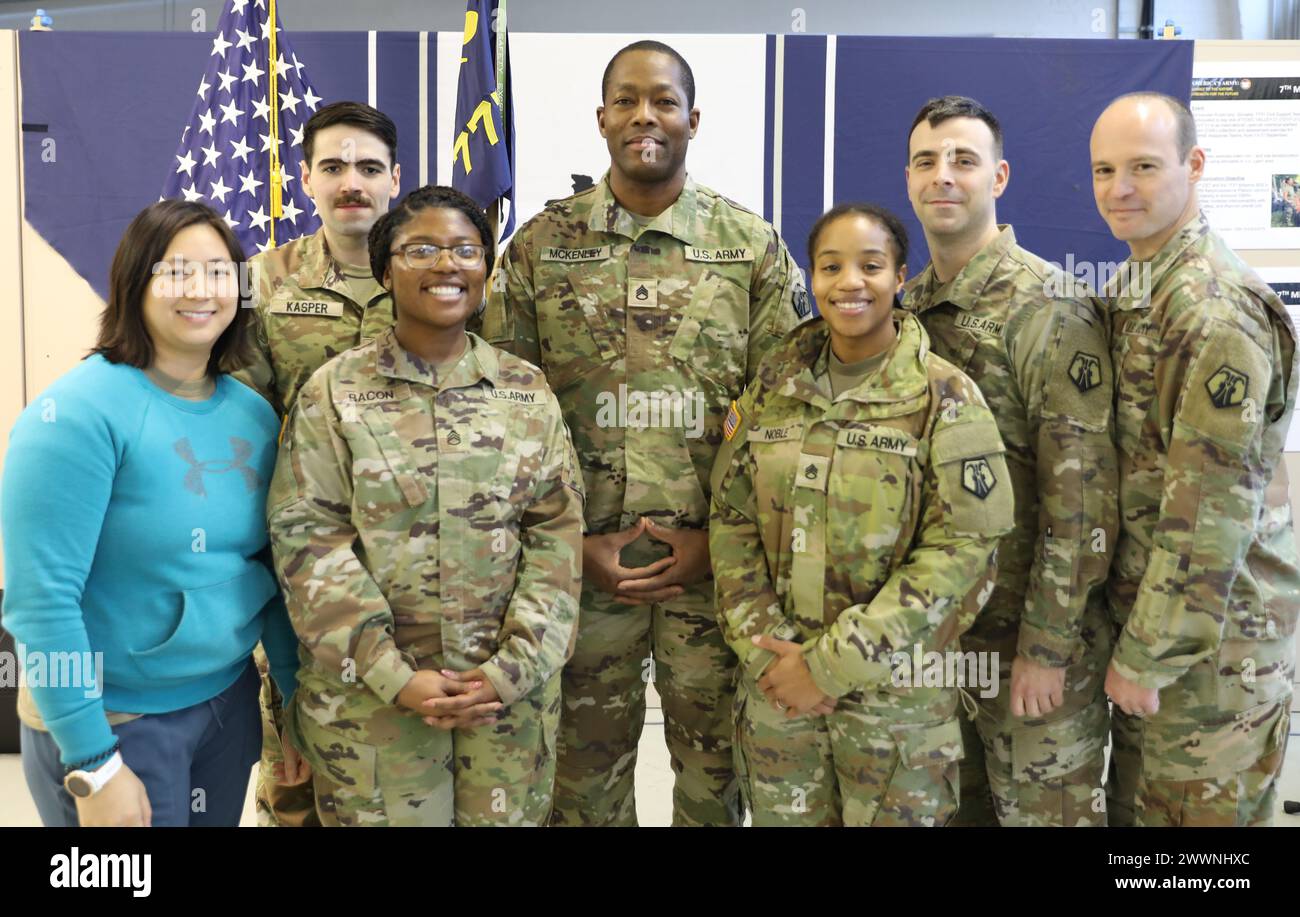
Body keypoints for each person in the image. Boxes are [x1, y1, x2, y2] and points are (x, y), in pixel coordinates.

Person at [477, 39, 811, 826]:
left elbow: (781, 422)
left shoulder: (750, 247)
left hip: (713, 576)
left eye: (663, 101)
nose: (644, 117)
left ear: (694, 119)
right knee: (581, 795)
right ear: (600, 119)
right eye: (626, 101)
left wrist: (717, 547)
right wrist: (568, 549)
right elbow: (507, 417)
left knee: (717, 786)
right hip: (586, 574)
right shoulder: (539, 246)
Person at [267, 186, 584, 826]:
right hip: (372, 710)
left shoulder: (526, 392)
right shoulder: (335, 392)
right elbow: (308, 538)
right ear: (385, 271)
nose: (447, 265)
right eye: (422, 251)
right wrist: (391, 674)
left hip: (504, 710)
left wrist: (512, 669)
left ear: (486, 270)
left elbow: (557, 535)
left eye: (467, 250)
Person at [709, 203, 1013, 826]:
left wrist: (828, 667)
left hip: (895, 709)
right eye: (831, 266)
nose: (850, 282)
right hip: (780, 702)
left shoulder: (945, 395)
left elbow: (962, 552)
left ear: (900, 278)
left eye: (870, 266)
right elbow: (731, 517)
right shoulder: (773, 385)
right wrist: (771, 654)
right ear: (812, 279)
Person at [1, 199, 300, 827]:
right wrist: (94, 762)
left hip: (224, 706)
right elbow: (40, 604)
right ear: (134, 282)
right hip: (112, 724)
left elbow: (268, 574)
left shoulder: (253, 415)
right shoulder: (77, 417)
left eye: (219, 271)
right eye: (175, 270)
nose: (201, 289)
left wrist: (293, 704)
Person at [901, 96, 1117, 826]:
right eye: (927, 161)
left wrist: (1048, 650)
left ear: (999, 176)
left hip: (1030, 650)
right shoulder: (907, 310)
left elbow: (1081, 497)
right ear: (908, 179)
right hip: (938, 646)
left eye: (963, 160)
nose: (944, 176)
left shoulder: (1049, 305)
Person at [1091, 92, 1298, 827]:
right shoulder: (1139, 285)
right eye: (1105, 169)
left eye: (1144, 167)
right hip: (1163, 636)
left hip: (1210, 654)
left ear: (1195, 164)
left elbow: (1207, 510)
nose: (1120, 189)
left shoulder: (1214, 310)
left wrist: (1149, 653)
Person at [233, 100, 402, 827]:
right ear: (305, 179)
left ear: (396, 179)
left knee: (403, 763)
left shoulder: (436, 271)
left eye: (368, 167)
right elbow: (236, 419)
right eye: (332, 167)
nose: (351, 183)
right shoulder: (265, 282)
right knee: (294, 769)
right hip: (298, 559)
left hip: (413, 557)